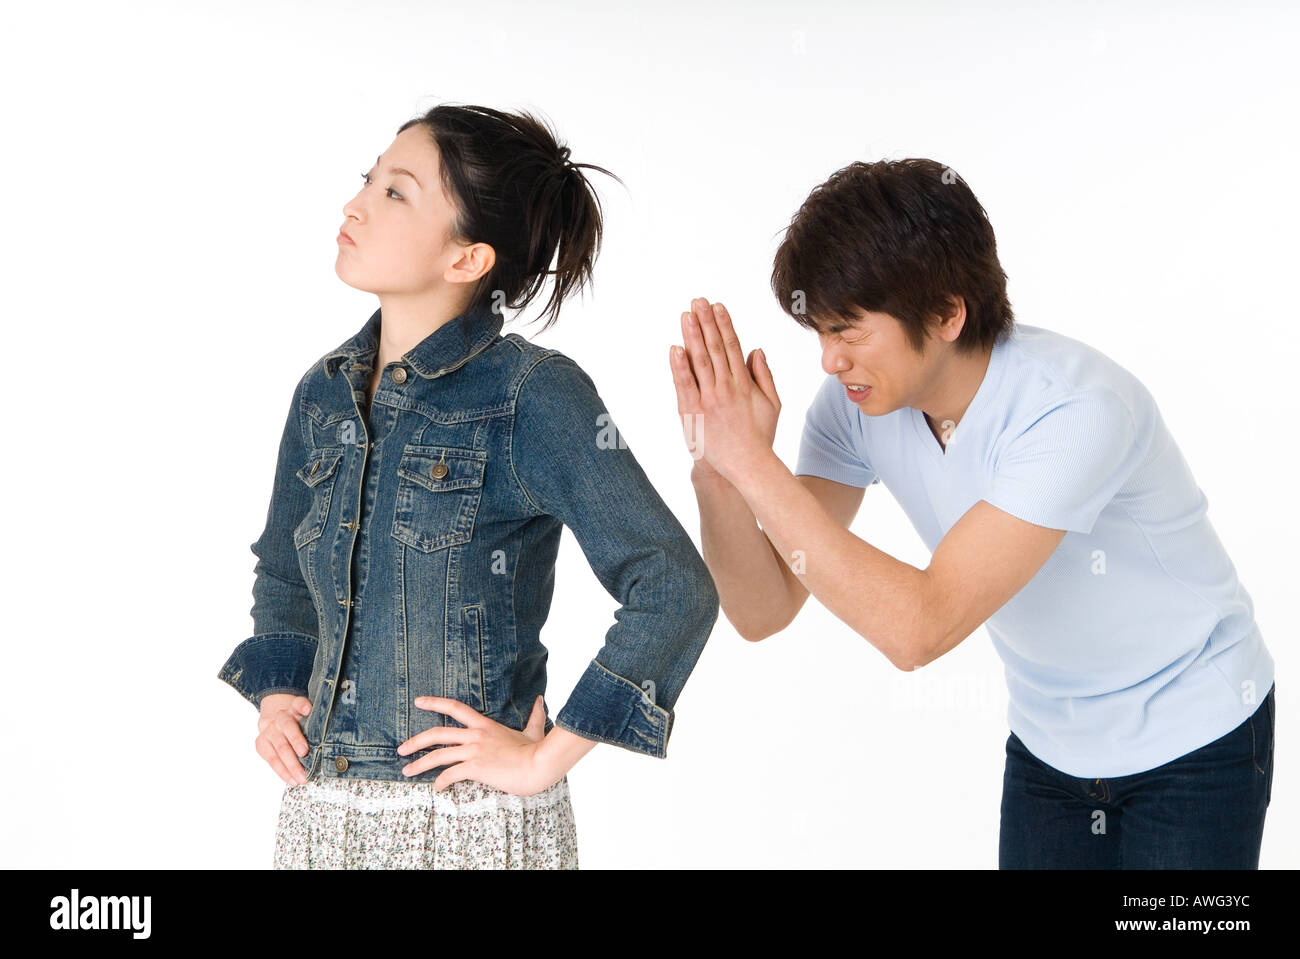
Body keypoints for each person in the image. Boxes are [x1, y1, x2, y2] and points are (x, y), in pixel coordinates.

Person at [669, 158, 1275, 869]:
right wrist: (719, 469)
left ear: (947, 313)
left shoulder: (1075, 411)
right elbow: (765, 606)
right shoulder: (859, 405)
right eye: (820, 333)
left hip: (1199, 734)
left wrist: (756, 466)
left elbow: (919, 626)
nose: (830, 361)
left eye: (849, 330)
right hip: (1052, 746)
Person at [218, 104, 719, 869]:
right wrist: (279, 691)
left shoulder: (533, 395)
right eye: (368, 180)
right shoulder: (320, 394)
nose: (355, 205)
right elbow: (286, 571)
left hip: (470, 827)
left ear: (467, 260)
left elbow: (673, 586)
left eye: (396, 192)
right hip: (321, 815)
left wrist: (544, 757)